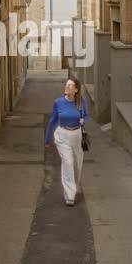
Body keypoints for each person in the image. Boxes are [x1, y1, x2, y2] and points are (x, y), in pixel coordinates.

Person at [45, 77, 88, 206]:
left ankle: (75, 185)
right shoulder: (58, 102)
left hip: (77, 135)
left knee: (77, 165)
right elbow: (52, 120)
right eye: (66, 85)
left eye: (70, 86)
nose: (67, 87)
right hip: (62, 135)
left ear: (76, 89)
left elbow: (85, 115)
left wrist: (83, 121)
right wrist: (47, 139)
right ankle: (70, 195)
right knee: (68, 162)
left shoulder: (81, 101)